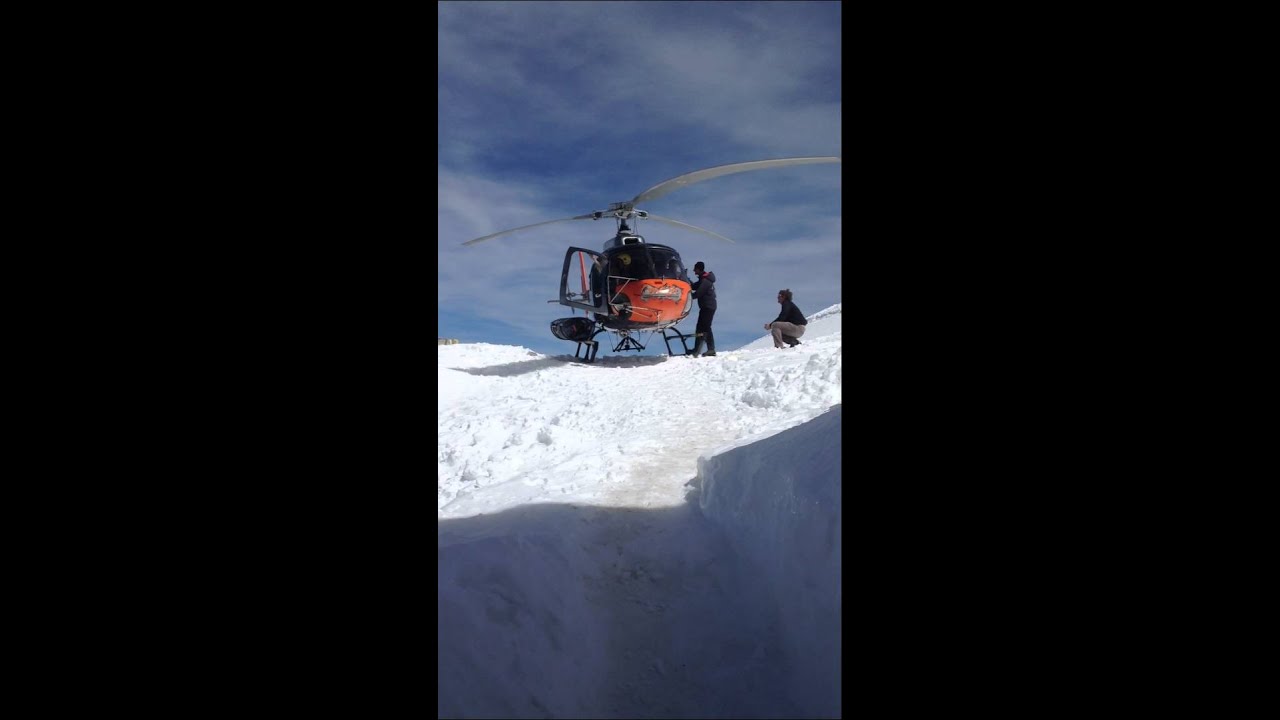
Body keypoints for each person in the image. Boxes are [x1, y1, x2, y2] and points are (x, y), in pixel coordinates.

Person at [689, 261, 717, 357]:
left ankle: (711, 349)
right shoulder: (703, 279)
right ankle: (697, 349)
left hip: (709, 306)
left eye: (695, 269)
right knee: (699, 328)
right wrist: (686, 280)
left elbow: (697, 293)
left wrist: (685, 297)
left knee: (706, 327)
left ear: (699, 269)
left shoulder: (706, 281)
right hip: (706, 306)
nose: (694, 271)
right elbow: (693, 286)